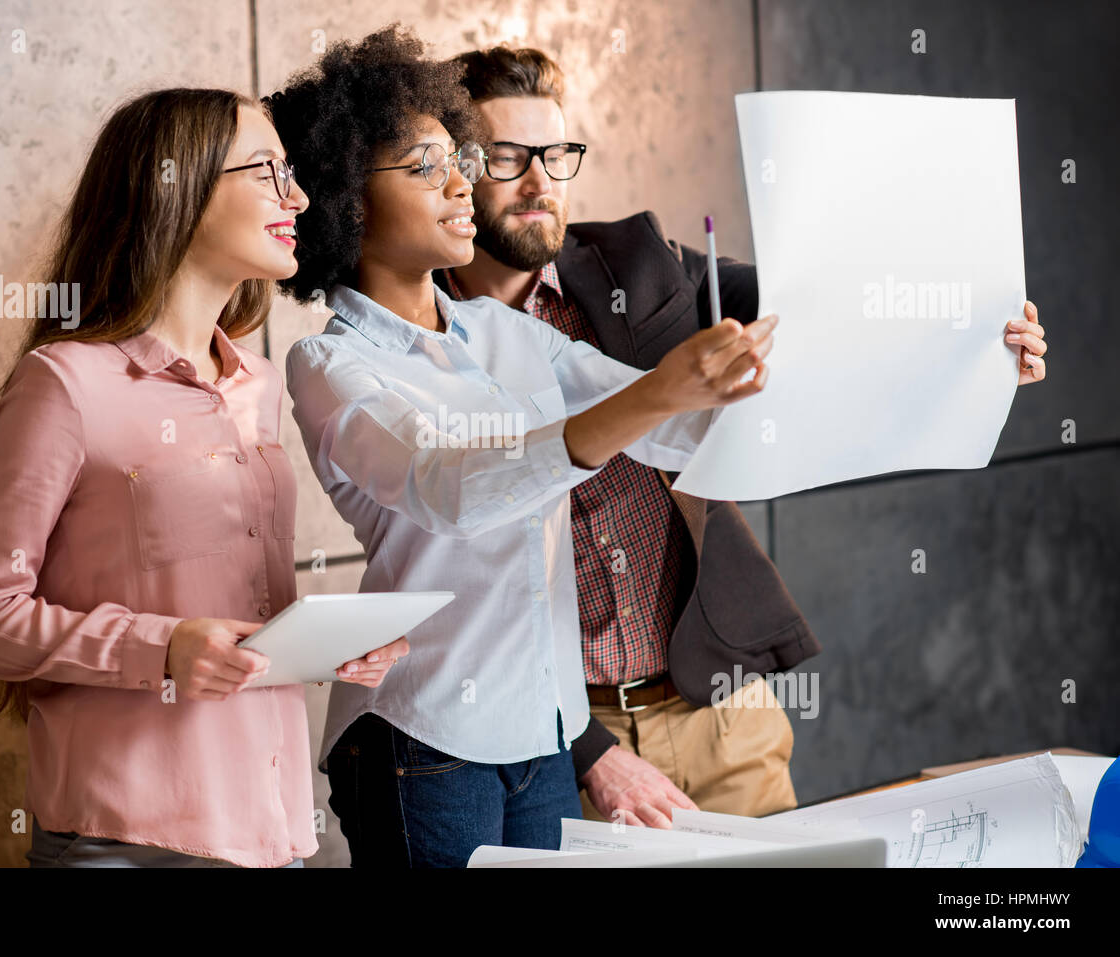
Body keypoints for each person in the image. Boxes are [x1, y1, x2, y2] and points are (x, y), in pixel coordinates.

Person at [437, 44, 1051, 823]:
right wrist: (590, 752)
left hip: (719, 704)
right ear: (455, 165)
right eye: (508, 157)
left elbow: (824, 310)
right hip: (554, 744)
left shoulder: (634, 260)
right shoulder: (423, 338)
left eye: (558, 155)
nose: (540, 182)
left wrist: (977, 342)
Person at [265, 24, 779, 867]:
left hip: (545, 734)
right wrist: (659, 388)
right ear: (347, 196)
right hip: (423, 740)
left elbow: (673, 427)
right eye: (426, 167)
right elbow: (451, 486)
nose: (461, 185)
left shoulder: (504, 332)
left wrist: (913, 368)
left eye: (459, 163)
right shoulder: (328, 361)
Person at [0, 88, 408, 868]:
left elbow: (233, 611)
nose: (298, 196)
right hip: (131, 838)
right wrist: (160, 648)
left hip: (279, 826)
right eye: (266, 171)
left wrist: (324, 646)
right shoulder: (65, 384)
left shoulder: (255, 382)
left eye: (291, 172)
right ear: (175, 187)